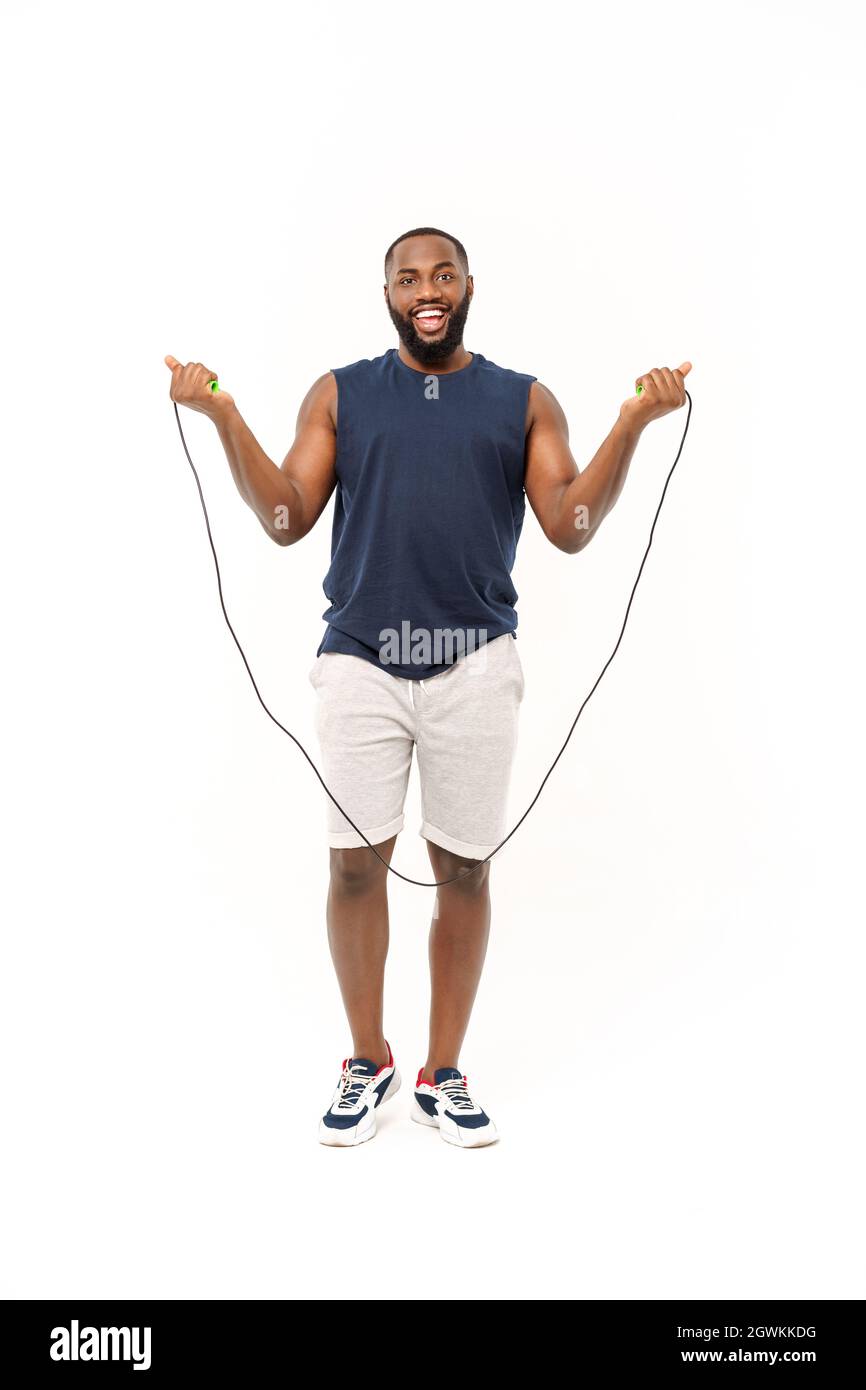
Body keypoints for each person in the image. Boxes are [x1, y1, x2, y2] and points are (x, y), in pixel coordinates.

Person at [165, 226, 691, 1149]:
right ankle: (365, 1058)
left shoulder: (522, 399)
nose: (426, 288)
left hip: (475, 665)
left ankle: (442, 1071)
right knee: (355, 863)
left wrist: (632, 426)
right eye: (408, 277)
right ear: (388, 297)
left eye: (442, 273)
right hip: (361, 659)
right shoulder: (343, 392)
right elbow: (288, 517)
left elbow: (569, 526)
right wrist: (221, 416)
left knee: (465, 869)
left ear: (469, 287)